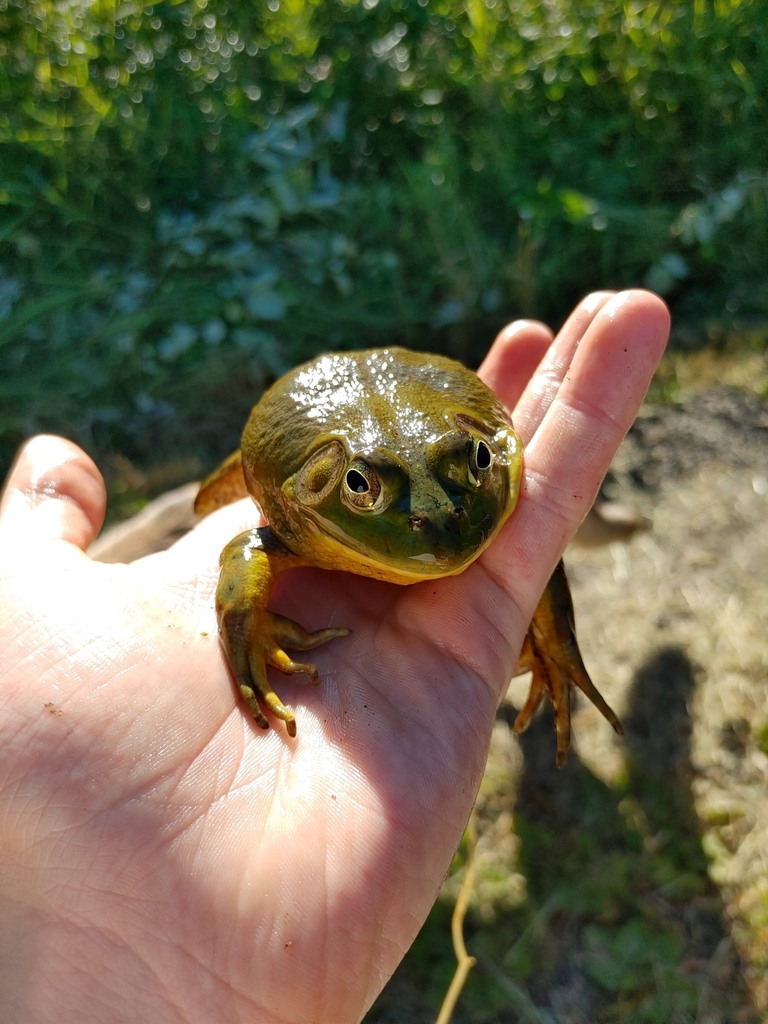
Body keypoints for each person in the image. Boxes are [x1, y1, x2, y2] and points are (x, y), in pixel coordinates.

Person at [0, 291, 669, 1023]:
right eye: (361, 487)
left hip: (413, 418)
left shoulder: (470, 489)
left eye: (471, 465)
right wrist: (246, 637)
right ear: (321, 487)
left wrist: (556, 647)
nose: (436, 524)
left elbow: (533, 560)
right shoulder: (293, 515)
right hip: (313, 435)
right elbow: (249, 547)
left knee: (519, 536)